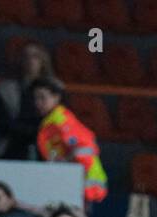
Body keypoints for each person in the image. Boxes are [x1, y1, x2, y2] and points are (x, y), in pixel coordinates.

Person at [32, 77, 108, 205]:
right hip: (67, 183)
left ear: (56, 98)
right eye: (36, 98)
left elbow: (84, 149)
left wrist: (65, 164)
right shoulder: (49, 122)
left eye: (43, 98)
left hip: (81, 185)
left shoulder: (61, 121)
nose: (38, 103)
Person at [0, 42, 53, 159]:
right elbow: (2, 123)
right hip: (12, 146)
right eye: (26, 56)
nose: (30, 60)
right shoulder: (6, 89)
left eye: (35, 56)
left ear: (43, 60)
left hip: (46, 147)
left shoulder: (55, 90)